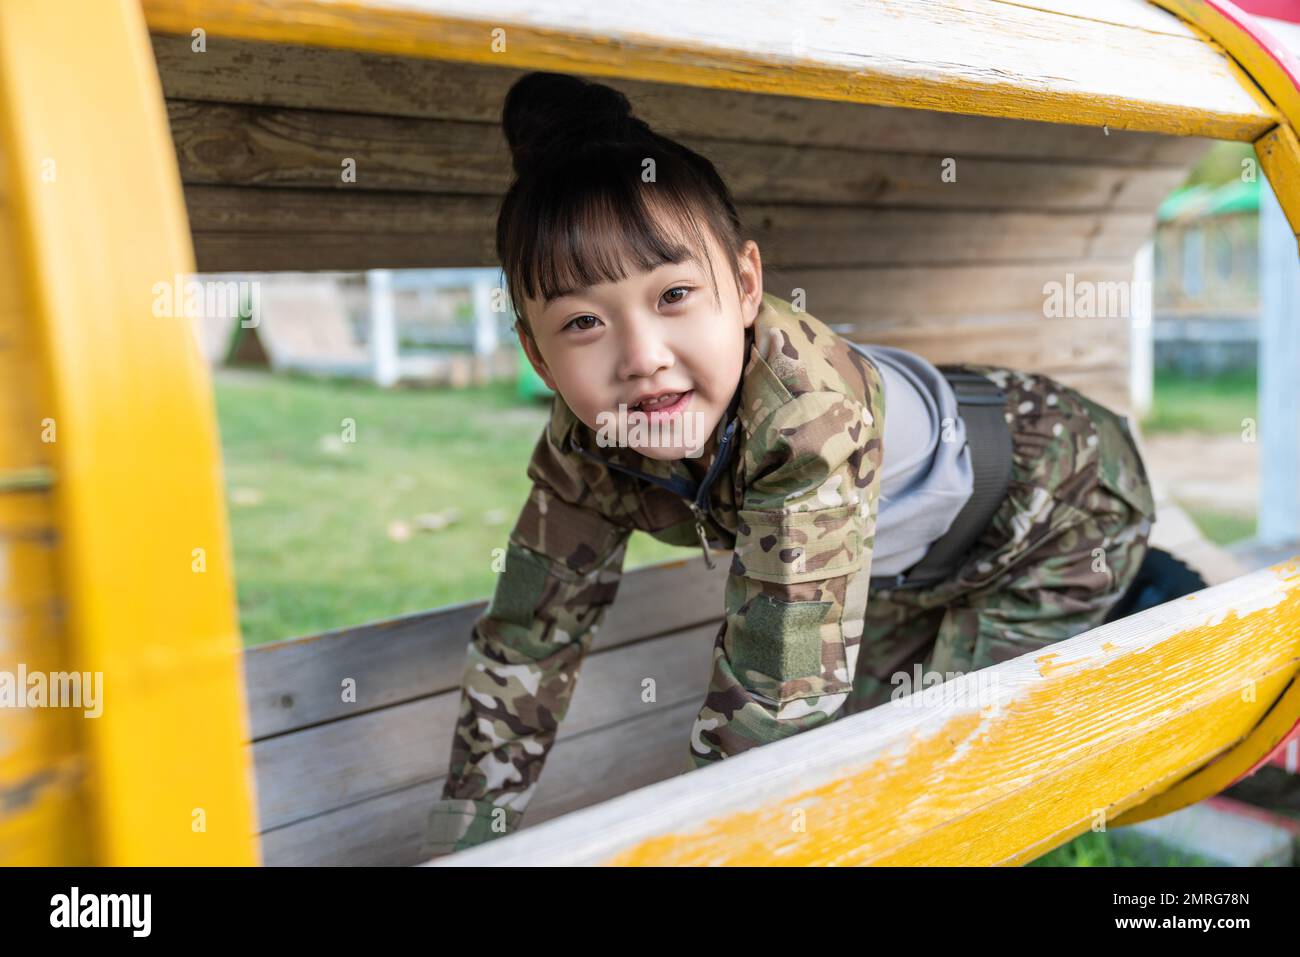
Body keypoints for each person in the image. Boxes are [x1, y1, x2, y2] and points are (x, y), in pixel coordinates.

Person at [421, 71, 1158, 858]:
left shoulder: (807, 416)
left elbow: (774, 703)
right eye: (583, 321)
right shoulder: (585, 448)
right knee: (863, 751)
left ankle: (1141, 588)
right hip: (908, 565)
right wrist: (465, 843)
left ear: (743, 286)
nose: (642, 358)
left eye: (672, 296)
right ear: (536, 352)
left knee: (922, 778)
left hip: (1062, 507)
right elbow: (528, 642)